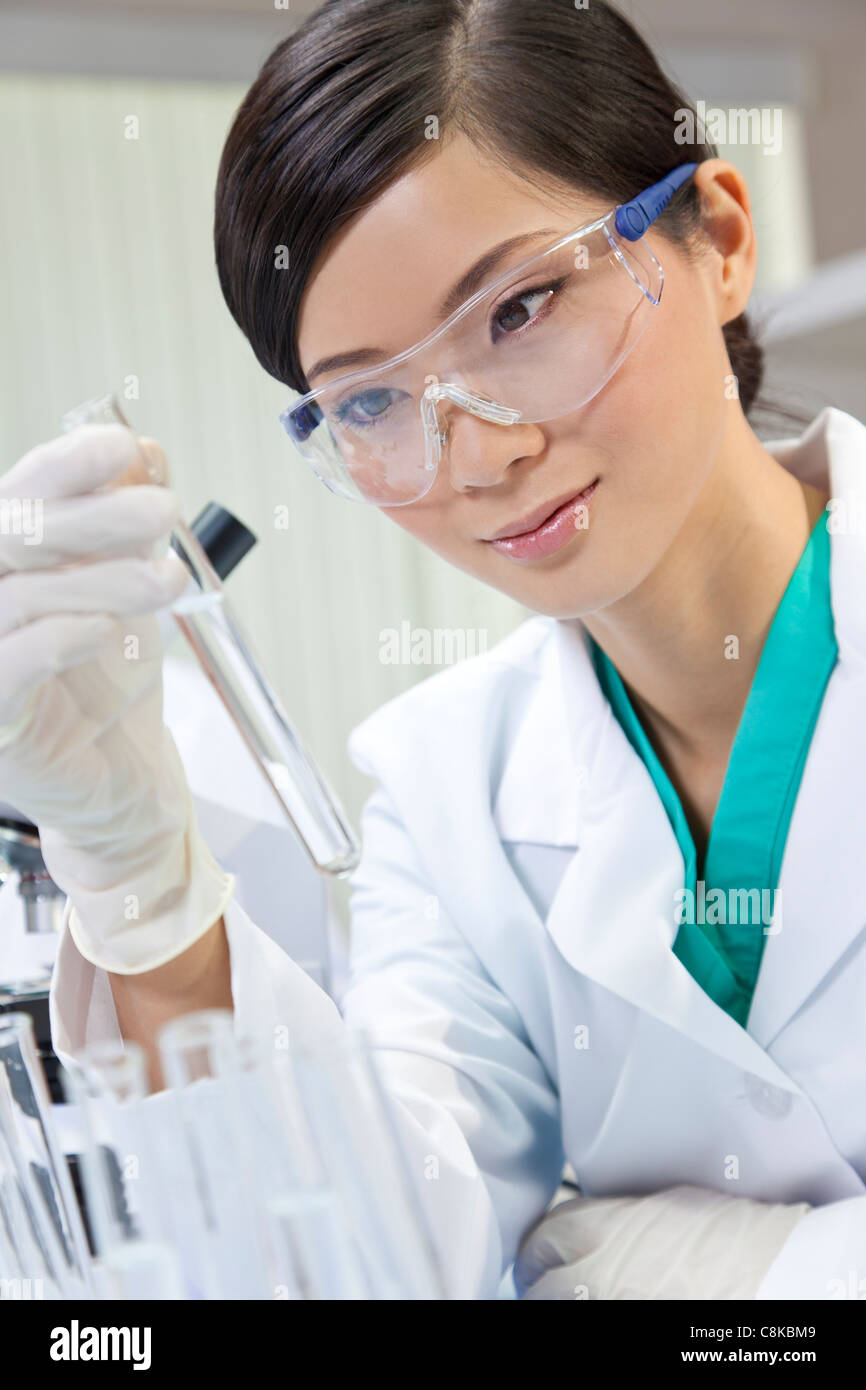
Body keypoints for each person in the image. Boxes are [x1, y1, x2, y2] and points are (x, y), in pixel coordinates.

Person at [2, 0, 865, 1299]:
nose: (475, 451)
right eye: (368, 400)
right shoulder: (441, 782)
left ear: (720, 241)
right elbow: (369, 1261)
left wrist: (702, 1266)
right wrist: (145, 894)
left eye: (519, 310)